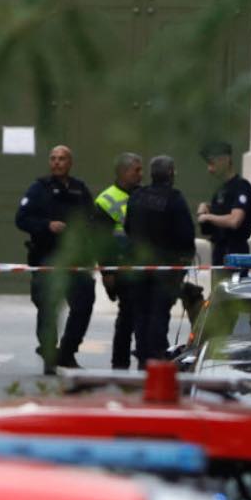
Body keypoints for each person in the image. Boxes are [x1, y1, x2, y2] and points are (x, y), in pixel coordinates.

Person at [15, 145, 95, 373]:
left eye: (62, 158)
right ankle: (49, 355)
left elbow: (92, 219)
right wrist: (46, 225)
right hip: (47, 257)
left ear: (70, 162)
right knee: (48, 309)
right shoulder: (39, 188)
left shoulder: (80, 189)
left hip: (76, 259)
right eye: (53, 158)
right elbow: (21, 219)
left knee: (83, 303)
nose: (57, 162)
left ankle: (67, 352)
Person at [125, 156, 195, 364]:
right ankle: (156, 358)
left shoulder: (137, 196)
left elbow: (128, 227)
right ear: (171, 173)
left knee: (141, 314)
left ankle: (143, 356)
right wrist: (184, 262)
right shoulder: (174, 198)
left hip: (139, 266)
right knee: (159, 314)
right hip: (165, 269)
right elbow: (186, 235)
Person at [93, 152, 144, 370]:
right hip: (122, 267)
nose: (141, 175)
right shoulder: (106, 200)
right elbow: (101, 241)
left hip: (142, 266)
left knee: (143, 318)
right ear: (123, 172)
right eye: (136, 170)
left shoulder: (142, 195)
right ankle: (120, 364)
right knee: (127, 318)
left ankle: (145, 362)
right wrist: (107, 273)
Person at [196, 141, 251, 267]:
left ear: (225, 160)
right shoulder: (220, 190)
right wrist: (207, 209)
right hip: (219, 252)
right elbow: (210, 226)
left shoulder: (242, 187)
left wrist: (208, 217)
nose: (210, 169)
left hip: (235, 253)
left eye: (212, 163)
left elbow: (235, 221)